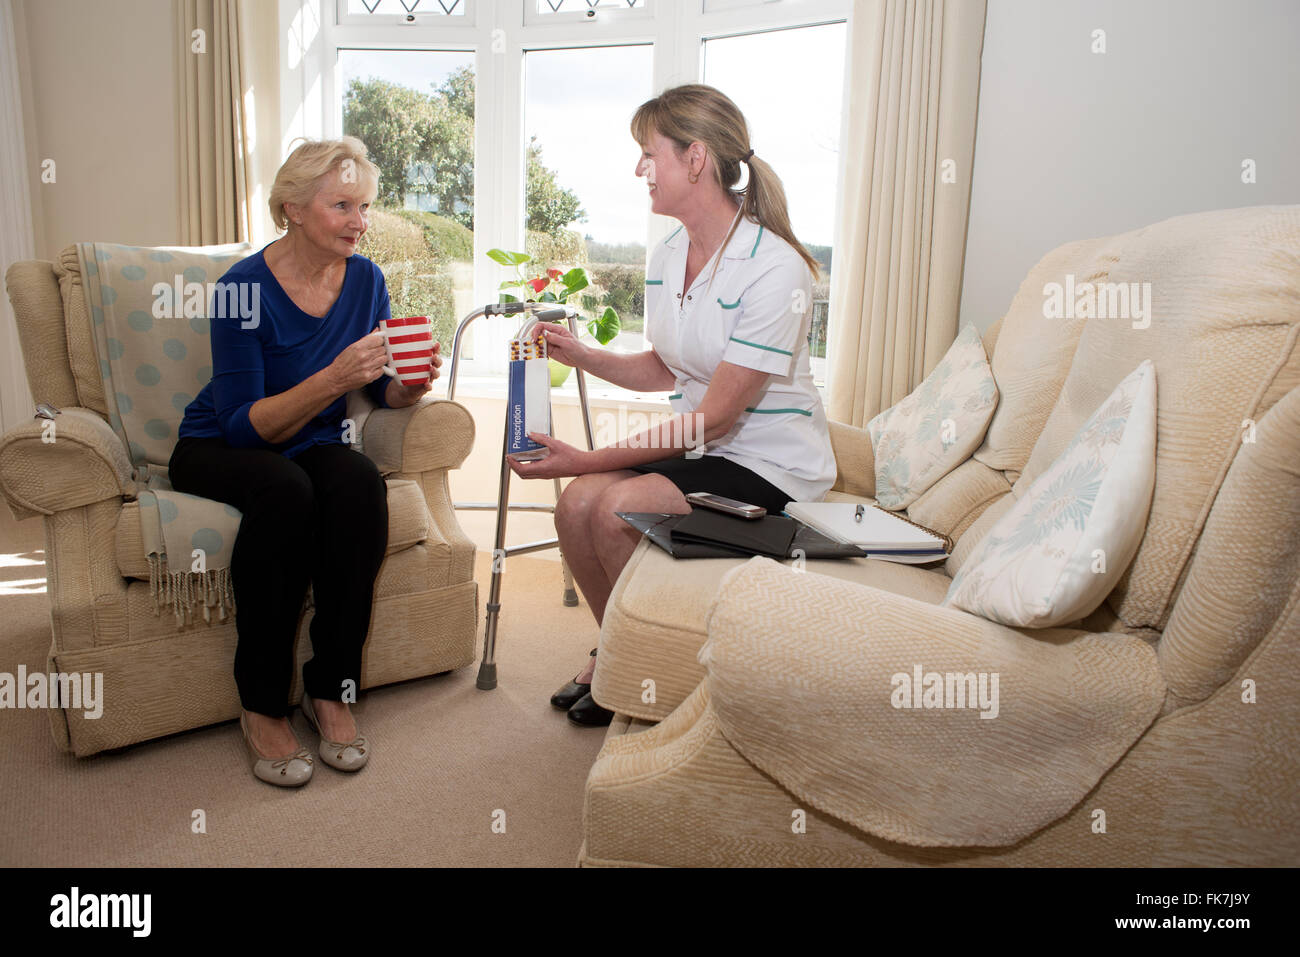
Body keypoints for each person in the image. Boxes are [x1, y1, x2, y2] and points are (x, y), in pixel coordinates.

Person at [508, 84, 836, 727]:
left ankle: (644, 672)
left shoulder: (775, 267)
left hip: (770, 462)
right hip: (707, 448)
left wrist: (591, 456)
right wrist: (582, 355)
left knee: (617, 505)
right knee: (576, 503)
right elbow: (667, 366)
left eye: (647, 153)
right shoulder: (665, 257)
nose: (639, 169)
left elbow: (717, 415)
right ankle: (621, 654)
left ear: (694, 159)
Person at [169, 137, 441, 786]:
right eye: (342, 205)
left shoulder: (367, 280)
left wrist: (409, 385)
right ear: (292, 208)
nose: (360, 221)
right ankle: (262, 704)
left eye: (365, 206)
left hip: (310, 442)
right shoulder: (242, 289)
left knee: (355, 483)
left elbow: (379, 390)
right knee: (287, 493)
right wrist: (333, 375)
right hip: (219, 446)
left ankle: (331, 688)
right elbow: (244, 425)